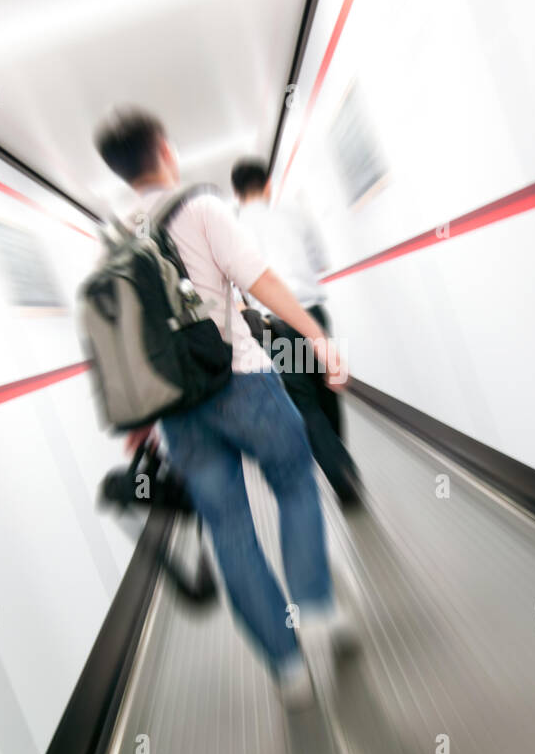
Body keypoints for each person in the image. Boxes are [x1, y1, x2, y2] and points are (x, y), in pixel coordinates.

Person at [93, 109, 356, 708]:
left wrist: (137, 430)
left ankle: (286, 668)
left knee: (228, 529)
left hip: (176, 413)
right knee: (293, 483)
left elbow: (121, 345)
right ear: (164, 148)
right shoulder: (201, 208)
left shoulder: (110, 239)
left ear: (116, 169)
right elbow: (258, 279)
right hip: (241, 381)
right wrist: (315, 336)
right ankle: (314, 603)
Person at [231, 158, 363, 509]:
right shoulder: (294, 213)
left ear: (235, 192)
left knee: (303, 402)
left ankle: (339, 471)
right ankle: (342, 460)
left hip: (273, 326)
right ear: (267, 184)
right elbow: (321, 259)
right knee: (328, 391)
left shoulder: (231, 227)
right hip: (311, 314)